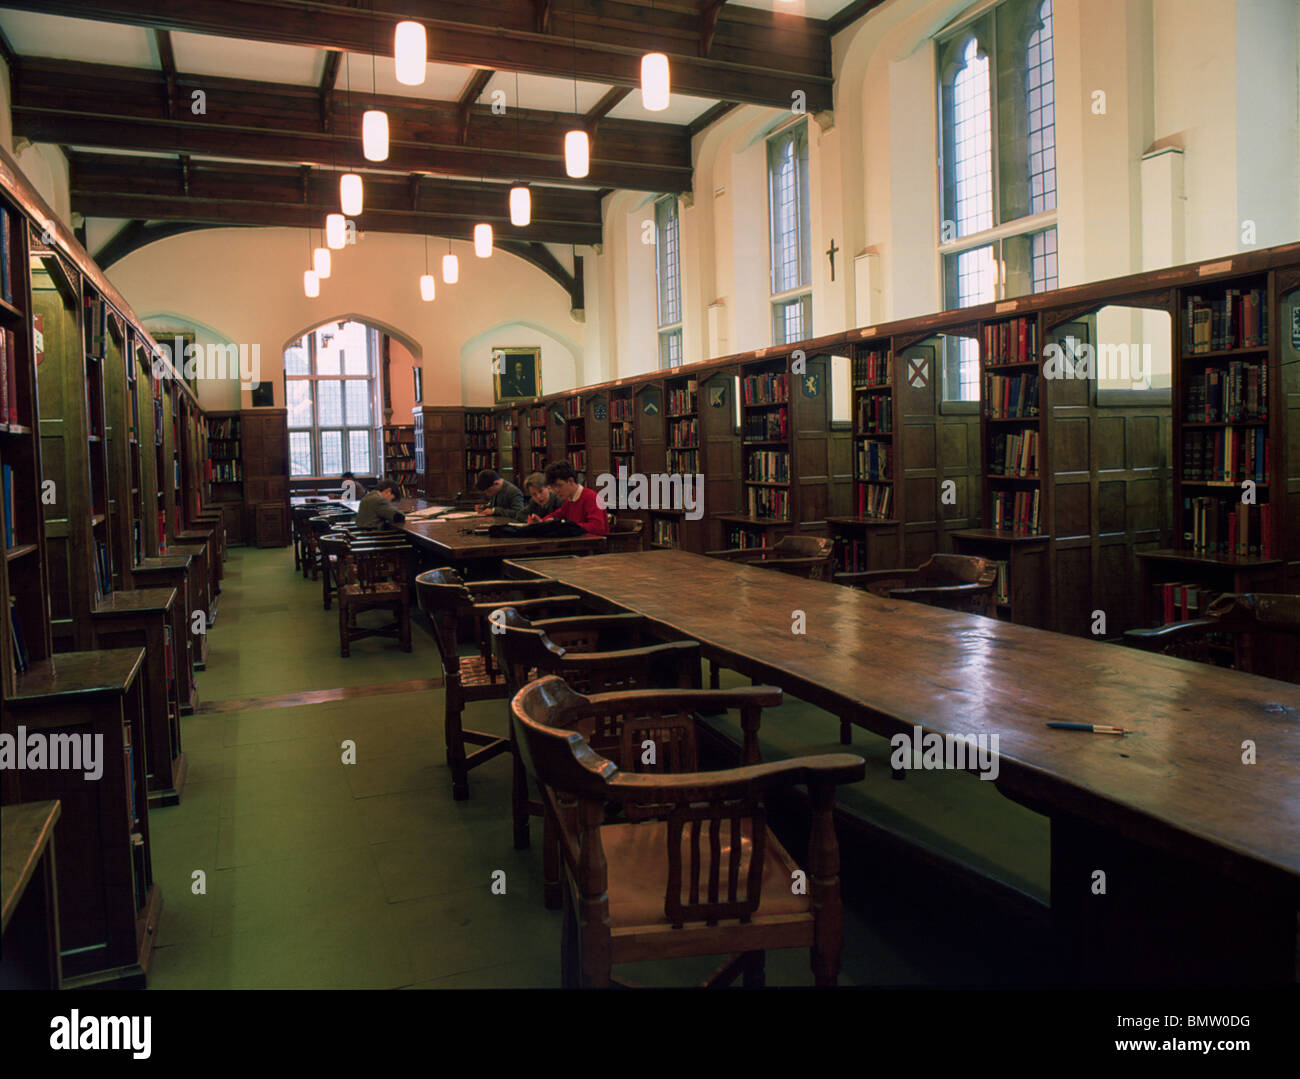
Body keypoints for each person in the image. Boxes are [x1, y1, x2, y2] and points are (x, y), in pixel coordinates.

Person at [528, 461, 608, 536]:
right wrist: (541, 522)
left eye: (559, 486)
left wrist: (567, 526)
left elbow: (598, 527)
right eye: (553, 487)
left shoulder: (591, 498)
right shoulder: (569, 500)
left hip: (595, 547)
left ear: (571, 481)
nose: (556, 491)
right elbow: (556, 515)